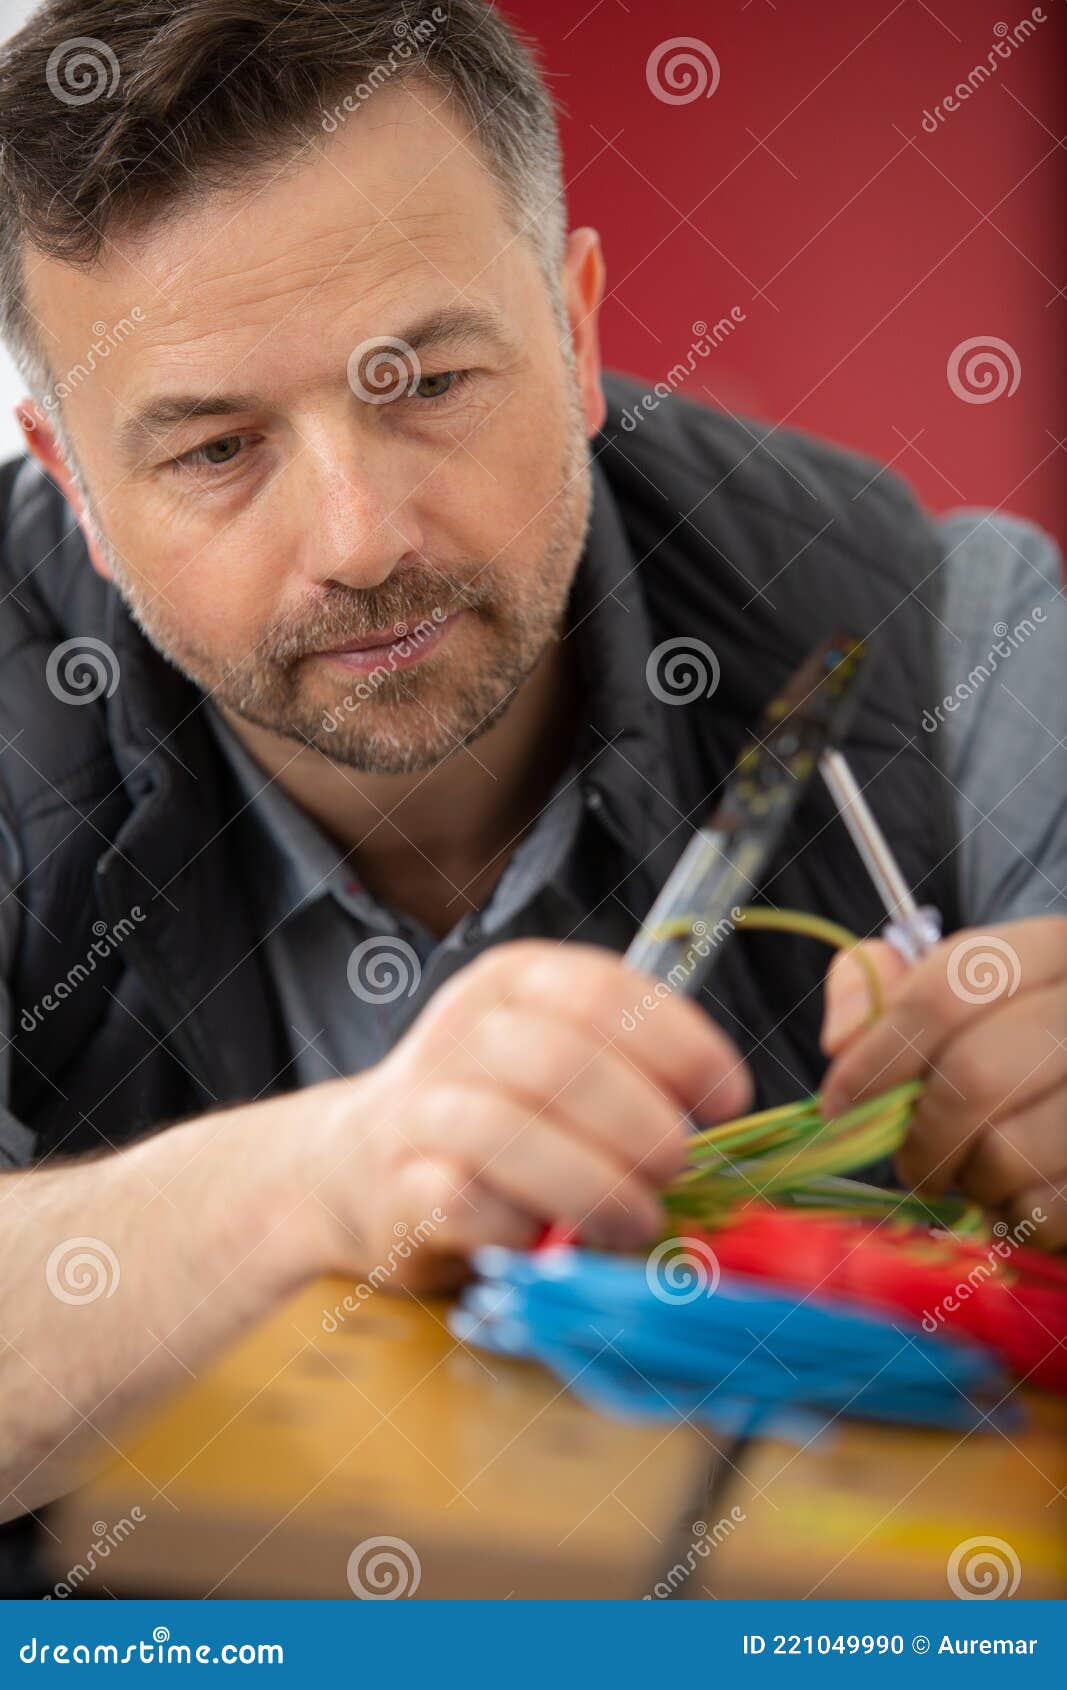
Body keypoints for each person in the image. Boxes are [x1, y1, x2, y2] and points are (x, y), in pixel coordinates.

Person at [0, 0, 1062, 1539]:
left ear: (573, 331)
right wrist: (322, 1181)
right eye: (216, 450)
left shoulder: (956, 638)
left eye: (425, 382)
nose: (362, 538)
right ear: (77, 486)